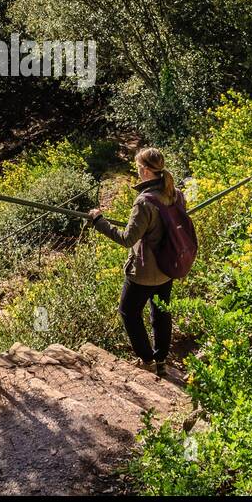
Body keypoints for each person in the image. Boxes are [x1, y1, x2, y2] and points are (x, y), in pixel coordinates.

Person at [87, 147, 176, 377]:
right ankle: (161, 360)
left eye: (138, 168)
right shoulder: (173, 193)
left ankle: (146, 359)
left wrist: (99, 221)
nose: (137, 172)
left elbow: (128, 239)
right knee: (161, 311)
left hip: (145, 272)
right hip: (168, 267)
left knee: (128, 311)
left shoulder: (144, 202)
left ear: (146, 171)